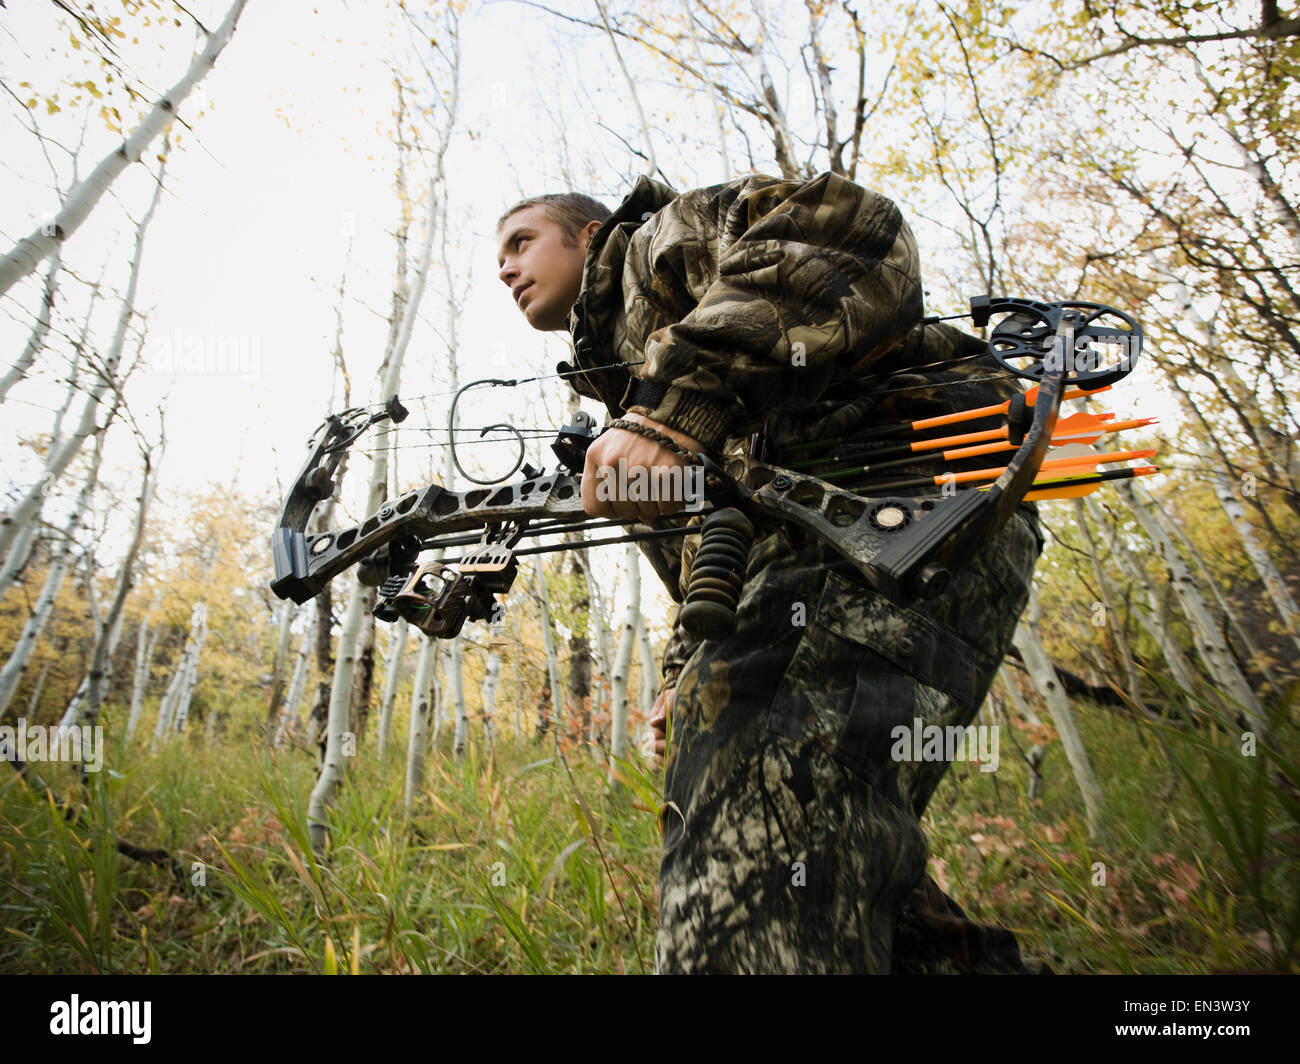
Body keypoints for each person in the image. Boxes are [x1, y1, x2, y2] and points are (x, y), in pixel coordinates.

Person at [496, 171, 1046, 974]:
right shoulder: (623, 376)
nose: (508, 270)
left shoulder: (666, 243)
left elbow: (852, 228)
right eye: (498, 260)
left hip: (902, 506)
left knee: (748, 824)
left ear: (587, 235)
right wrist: (687, 676)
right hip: (843, 548)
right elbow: (715, 549)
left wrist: (671, 408)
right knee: (829, 850)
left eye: (522, 242)